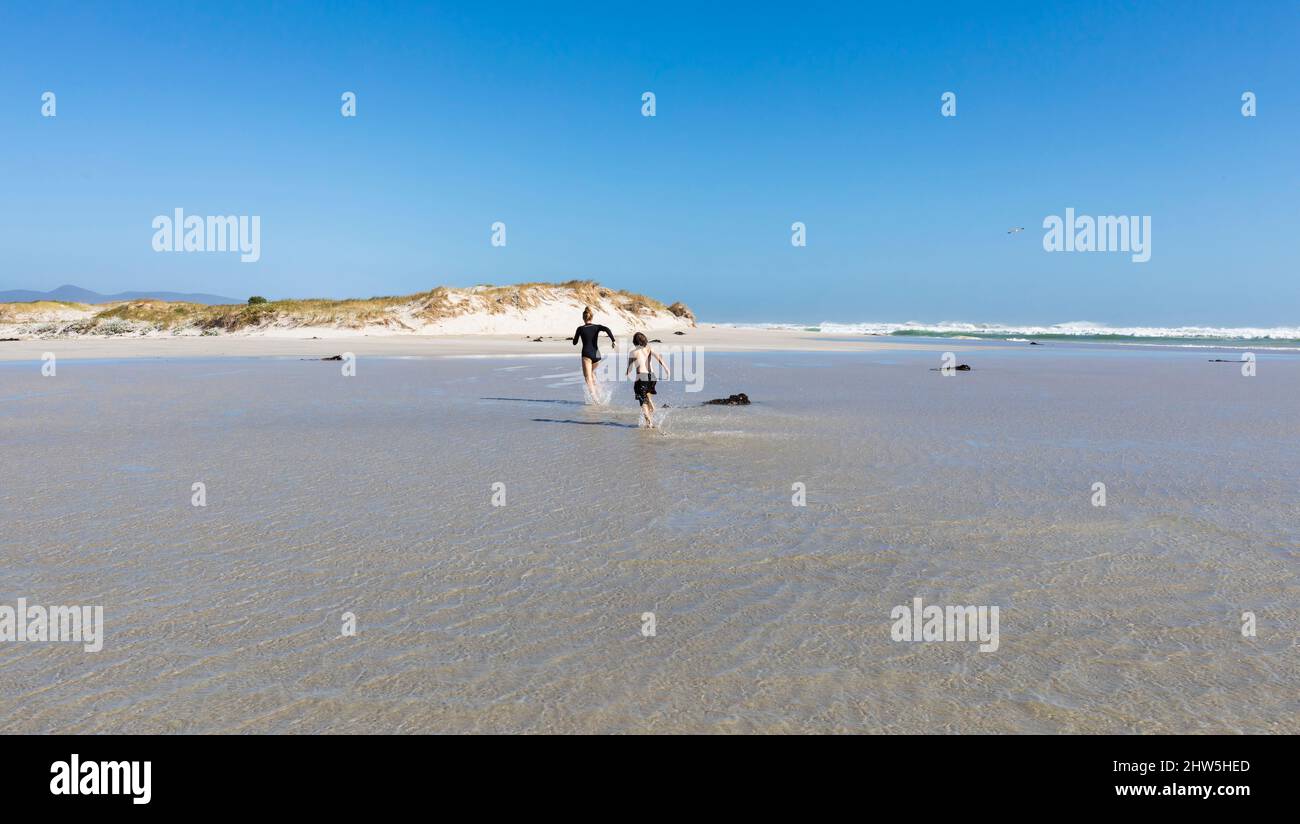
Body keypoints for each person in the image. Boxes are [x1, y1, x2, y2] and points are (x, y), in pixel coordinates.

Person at [626, 332, 669, 428]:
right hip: (652, 377)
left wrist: (627, 372)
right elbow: (659, 359)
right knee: (647, 393)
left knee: (643, 403)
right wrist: (667, 370)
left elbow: (630, 368)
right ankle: (652, 406)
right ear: (644, 340)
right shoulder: (649, 349)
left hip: (641, 378)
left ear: (634, 342)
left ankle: (649, 423)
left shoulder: (633, 352)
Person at [572, 307, 615, 399]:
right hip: (596, 355)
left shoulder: (580, 329)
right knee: (591, 373)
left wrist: (577, 336)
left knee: (588, 378)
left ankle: (595, 398)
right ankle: (600, 391)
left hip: (586, 355)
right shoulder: (597, 327)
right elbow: (607, 329)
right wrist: (613, 340)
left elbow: (574, 343)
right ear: (592, 317)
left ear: (583, 318)